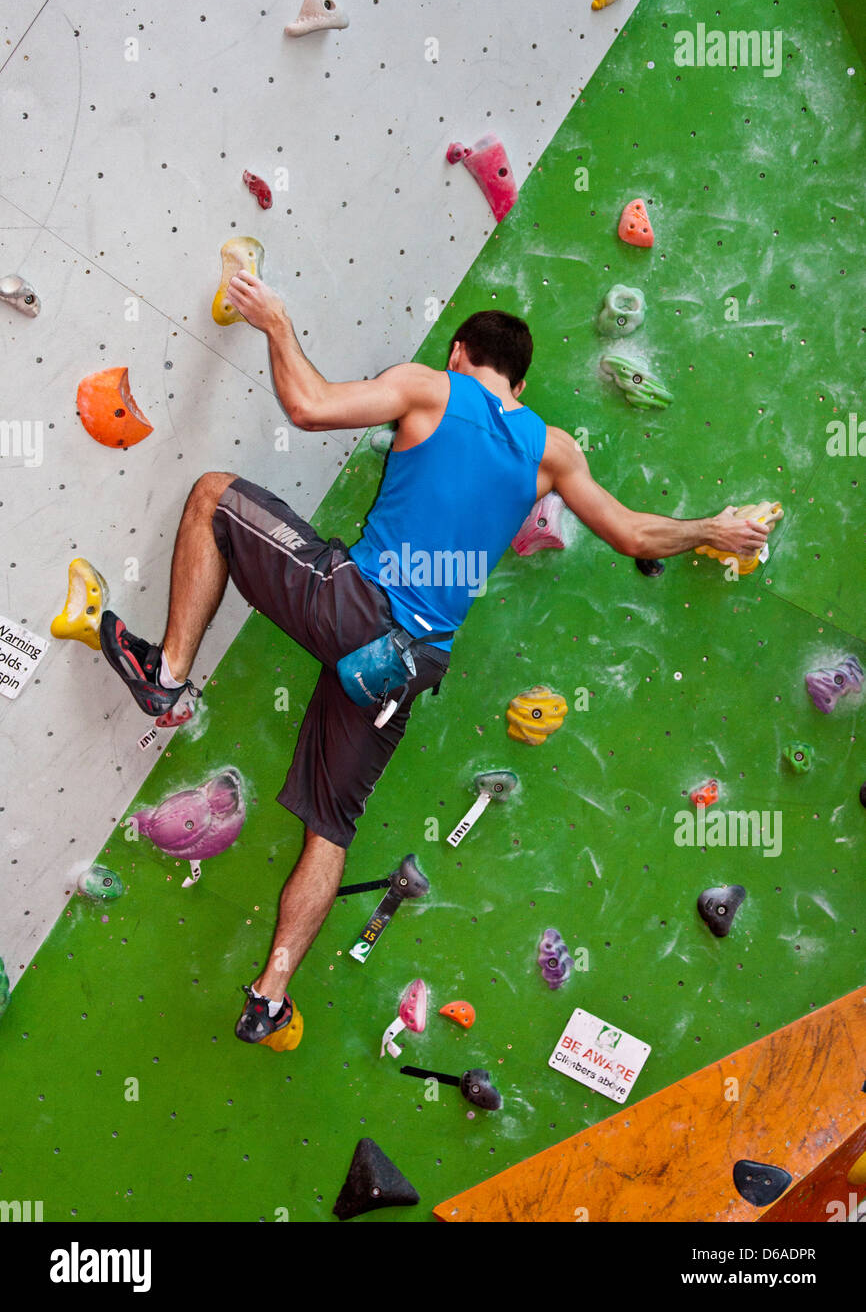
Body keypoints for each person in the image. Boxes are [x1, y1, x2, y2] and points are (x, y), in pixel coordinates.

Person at [100, 272, 770, 1050]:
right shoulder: (552, 449)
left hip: (355, 606)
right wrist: (713, 530)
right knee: (330, 832)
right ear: (518, 381)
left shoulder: (431, 387)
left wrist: (278, 323)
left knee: (216, 494)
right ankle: (269, 995)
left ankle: (168, 677)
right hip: (406, 667)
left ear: (461, 353)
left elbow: (308, 406)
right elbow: (632, 534)